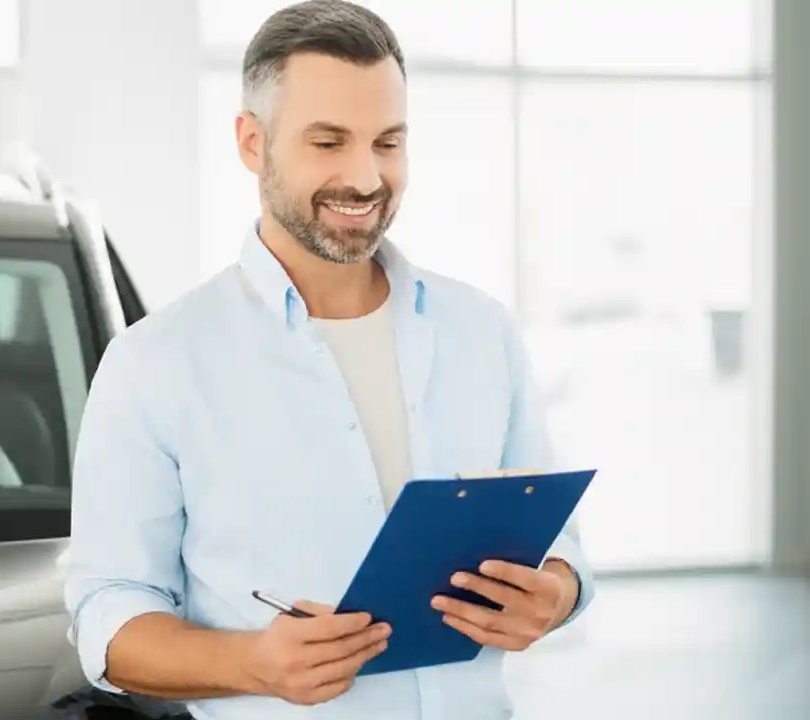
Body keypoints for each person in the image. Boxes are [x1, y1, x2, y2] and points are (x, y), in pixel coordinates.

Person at [64, 2, 594, 718]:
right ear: (253, 143)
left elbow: (558, 547)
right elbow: (107, 614)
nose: (366, 177)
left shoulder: (483, 332)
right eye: (328, 142)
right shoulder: (154, 364)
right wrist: (249, 663)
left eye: (388, 142)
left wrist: (555, 595)